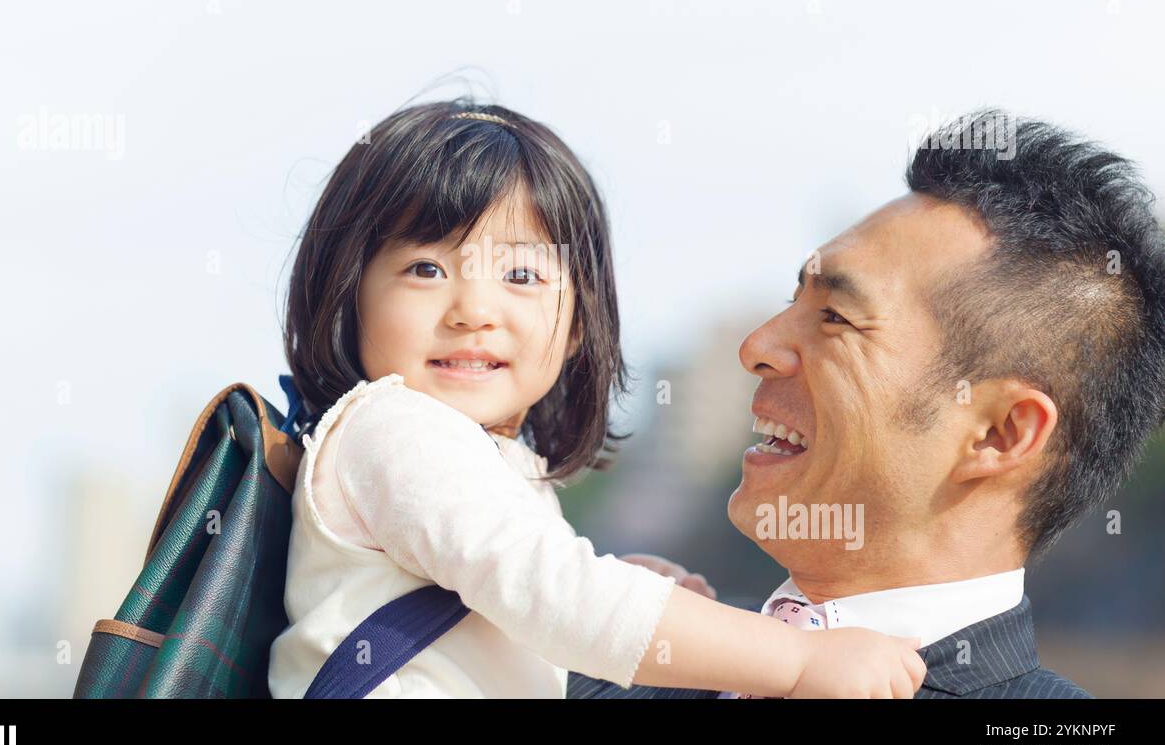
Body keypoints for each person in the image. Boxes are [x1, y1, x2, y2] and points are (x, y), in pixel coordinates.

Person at [266, 99, 926, 698]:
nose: (473, 310)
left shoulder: (485, 456)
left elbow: (528, 592)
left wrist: (624, 584)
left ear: (579, 320)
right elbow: (555, 596)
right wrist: (799, 659)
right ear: (349, 295)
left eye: (520, 274)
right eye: (426, 269)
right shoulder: (395, 428)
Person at [570, 109, 1165, 699]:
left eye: (836, 317)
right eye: (793, 301)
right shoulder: (613, 650)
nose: (757, 347)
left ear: (1000, 433)